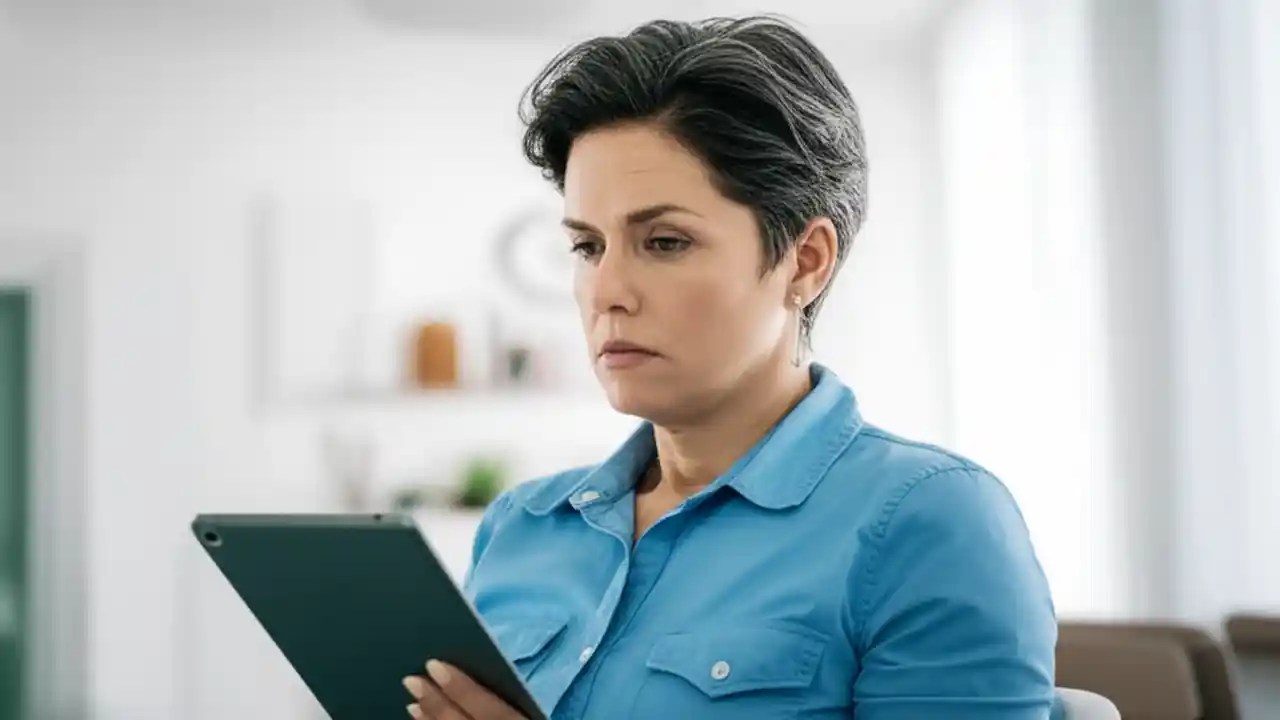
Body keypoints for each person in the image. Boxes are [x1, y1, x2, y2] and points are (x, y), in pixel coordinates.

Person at [403, 15, 1057, 720]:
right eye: (588, 247)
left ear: (805, 262)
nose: (607, 292)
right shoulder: (521, 527)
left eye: (665, 242)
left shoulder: (929, 522)